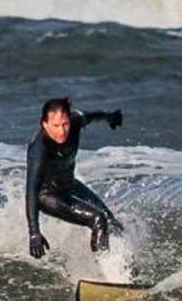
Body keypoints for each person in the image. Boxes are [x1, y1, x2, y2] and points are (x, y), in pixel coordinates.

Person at [25, 96, 124, 259]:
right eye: (56, 125)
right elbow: (31, 191)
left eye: (65, 124)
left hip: (69, 185)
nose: (62, 130)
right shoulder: (39, 148)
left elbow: (92, 115)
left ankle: (127, 269)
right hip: (47, 195)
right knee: (98, 219)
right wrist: (34, 233)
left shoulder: (76, 121)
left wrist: (110, 116)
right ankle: (107, 274)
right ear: (44, 124)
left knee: (112, 222)